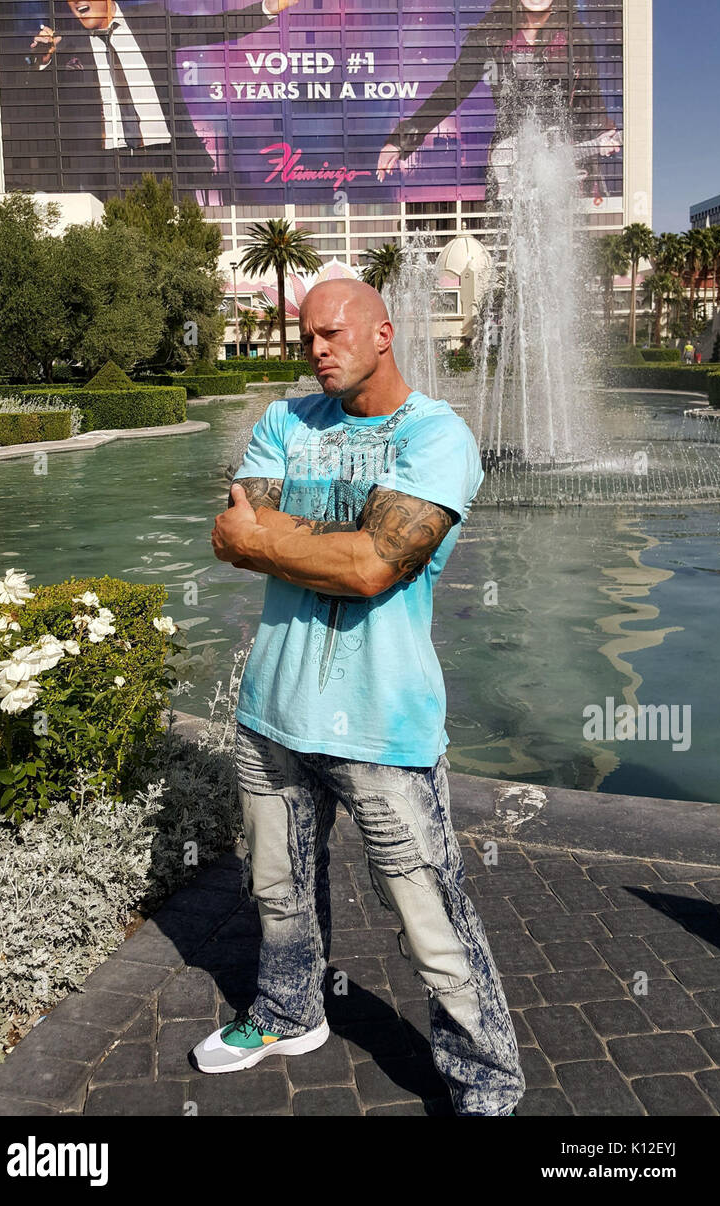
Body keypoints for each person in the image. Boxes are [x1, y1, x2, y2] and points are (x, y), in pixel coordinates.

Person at [194, 277, 525, 1117]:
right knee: (276, 890)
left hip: (382, 722)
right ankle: (287, 1012)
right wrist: (316, 544)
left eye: (333, 333)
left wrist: (279, 540)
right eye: (307, 336)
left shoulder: (436, 435)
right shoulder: (282, 422)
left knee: (431, 917)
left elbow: (375, 567)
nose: (316, 350)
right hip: (272, 708)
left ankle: (484, 1084)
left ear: (383, 333)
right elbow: (231, 536)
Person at [22, 0, 304, 195]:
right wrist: (43, 61)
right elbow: (38, 105)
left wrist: (266, 8)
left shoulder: (151, 20)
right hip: (107, 167)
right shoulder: (67, 44)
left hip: (166, 158)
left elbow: (208, 28)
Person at [377, 0, 621, 203]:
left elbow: (591, 104)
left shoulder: (577, 38)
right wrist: (400, 141)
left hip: (561, 164)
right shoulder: (491, 36)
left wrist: (602, 140)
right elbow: (450, 92)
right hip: (510, 164)